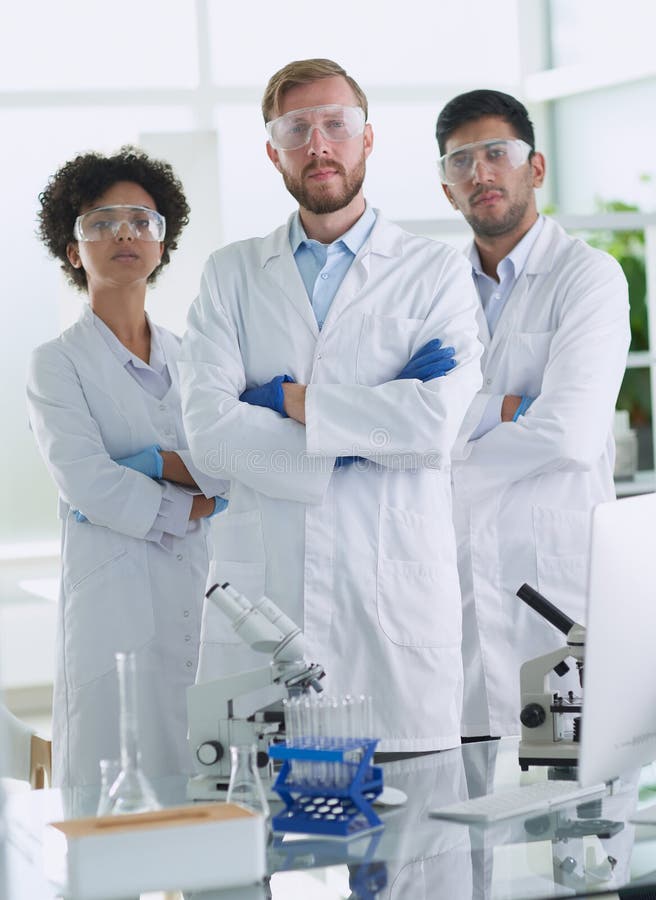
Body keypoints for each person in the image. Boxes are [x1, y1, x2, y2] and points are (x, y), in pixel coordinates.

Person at [179, 58, 483, 754]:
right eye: (296, 129)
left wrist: (290, 401)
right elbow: (210, 433)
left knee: (410, 812)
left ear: (367, 138)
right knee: (252, 810)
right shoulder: (230, 275)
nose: (318, 144)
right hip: (266, 599)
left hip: (392, 602)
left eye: (336, 125)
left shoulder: (434, 271)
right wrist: (368, 427)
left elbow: (434, 424)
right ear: (273, 151)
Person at [27, 148, 229, 787]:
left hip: (201, 594)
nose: (125, 233)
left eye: (142, 221)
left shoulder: (194, 357)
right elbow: (88, 482)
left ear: (162, 245)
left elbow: (231, 461)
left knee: (207, 796)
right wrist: (196, 496)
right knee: (115, 799)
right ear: (73, 250)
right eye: (102, 221)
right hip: (111, 612)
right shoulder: (56, 363)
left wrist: (159, 466)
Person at [435, 90, 630, 739]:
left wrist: (444, 452)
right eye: (461, 161)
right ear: (446, 189)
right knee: (467, 784)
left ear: (536, 168)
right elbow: (403, 418)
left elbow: (570, 434)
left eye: (497, 153)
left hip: (558, 584)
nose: (480, 173)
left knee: (574, 788)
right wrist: (503, 411)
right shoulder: (432, 293)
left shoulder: (588, 278)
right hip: (459, 587)